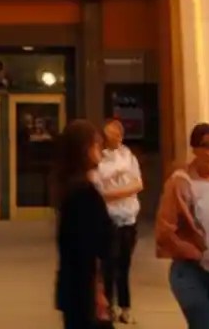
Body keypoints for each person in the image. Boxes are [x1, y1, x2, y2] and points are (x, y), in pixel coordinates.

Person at [156, 123, 209, 329]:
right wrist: (191, 252)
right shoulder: (180, 183)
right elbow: (165, 230)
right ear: (195, 150)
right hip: (192, 270)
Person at [53, 119, 114, 329]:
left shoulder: (72, 188)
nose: (102, 151)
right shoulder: (83, 194)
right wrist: (98, 292)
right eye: (97, 145)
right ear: (84, 149)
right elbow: (87, 249)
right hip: (84, 290)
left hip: (75, 288)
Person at [92, 119, 143, 324]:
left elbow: (138, 184)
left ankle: (125, 306)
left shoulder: (128, 156)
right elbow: (99, 189)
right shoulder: (99, 158)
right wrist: (122, 189)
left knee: (125, 265)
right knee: (108, 265)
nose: (116, 138)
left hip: (128, 218)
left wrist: (116, 191)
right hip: (109, 219)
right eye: (111, 134)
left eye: (118, 134)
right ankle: (109, 305)